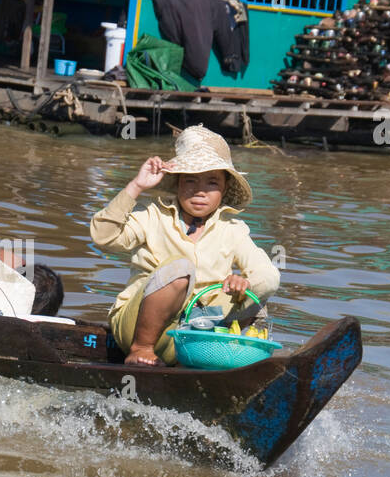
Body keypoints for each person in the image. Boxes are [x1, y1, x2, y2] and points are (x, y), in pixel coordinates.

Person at [90, 125, 279, 366]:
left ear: (225, 188)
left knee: (259, 292)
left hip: (194, 337)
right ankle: (141, 350)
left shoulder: (233, 229)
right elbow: (103, 237)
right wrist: (136, 186)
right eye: (191, 180)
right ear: (177, 183)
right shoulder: (153, 216)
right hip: (138, 329)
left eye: (212, 182)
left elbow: (268, 276)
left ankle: (210, 357)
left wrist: (243, 283)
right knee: (181, 269)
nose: (200, 191)